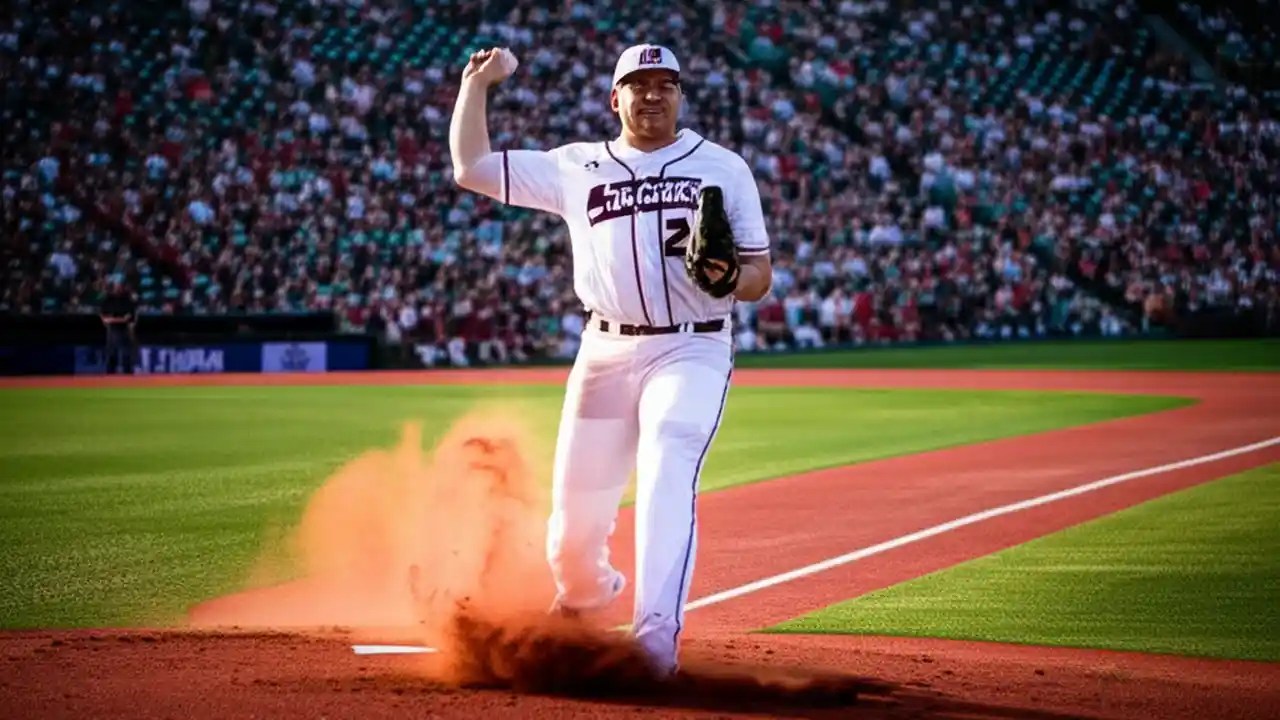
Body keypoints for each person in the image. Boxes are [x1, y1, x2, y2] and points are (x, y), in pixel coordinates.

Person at [448, 44, 772, 678]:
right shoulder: (577, 167)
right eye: (638, 84)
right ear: (613, 98)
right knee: (571, 533)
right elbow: (472, 167)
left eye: (665, 84)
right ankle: (585, 596)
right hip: (603, 353)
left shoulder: (724, 168)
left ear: (680, 95)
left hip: (691, 346)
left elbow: (760, 275)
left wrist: (732, 277)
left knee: (666, 465)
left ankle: (655, 646)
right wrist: (476, 86)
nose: (652, 94)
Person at [99, 280, 138, 374]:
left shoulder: (127, 300)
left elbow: (131, 317)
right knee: (112, 354)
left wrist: (115, 319)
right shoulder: (108, 300)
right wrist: (119, 319)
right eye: (116, 286)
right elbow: (104, 318)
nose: (118, 288)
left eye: (120, 286)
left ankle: (128, 377)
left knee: (127, 355)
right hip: (112, 330)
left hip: (125, 329)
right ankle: (110, 376)